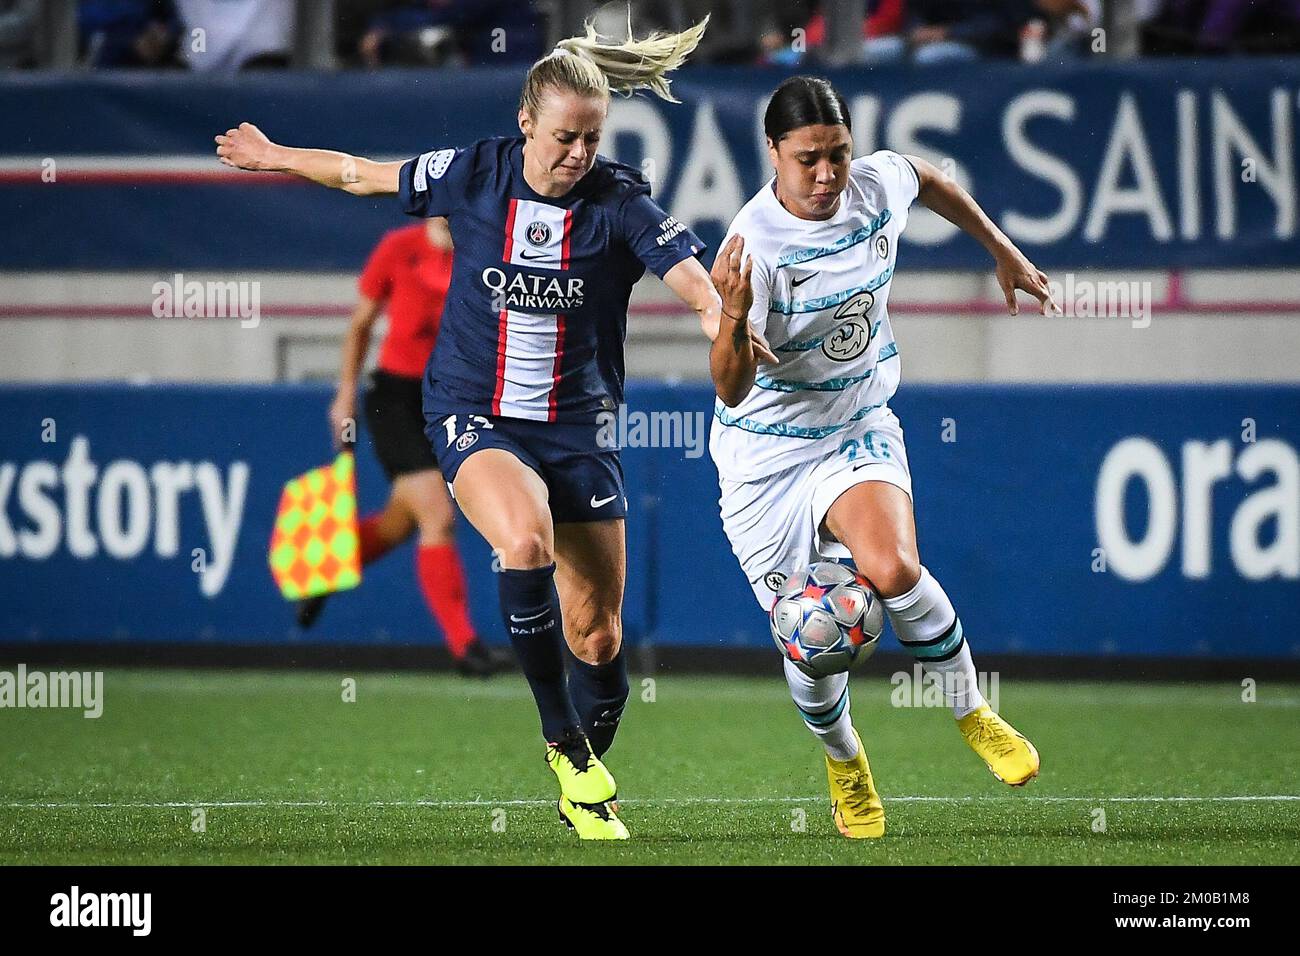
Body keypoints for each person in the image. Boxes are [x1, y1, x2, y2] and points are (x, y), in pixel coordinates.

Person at [217, 16, 755, 840]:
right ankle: (562, 742)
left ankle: (579, 783)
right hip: (474, 411)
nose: (579, 154)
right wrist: (276, 155)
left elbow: (694, 283)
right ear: (526, 123)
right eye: (565, 138)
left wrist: (726, 316)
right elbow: (362, 176)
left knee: (599, 638)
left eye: (592, 139)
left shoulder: (619, 202)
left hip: (579, 430)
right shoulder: (473, 173)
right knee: (525, 542)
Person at [706, 76, 1053, 838]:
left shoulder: (874, 185)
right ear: (773, 152)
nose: (827, 173)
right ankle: (845, 761)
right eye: (808, 159)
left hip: (855, 422)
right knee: (810, 637)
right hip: (766, 456)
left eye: (837, 153)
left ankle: (974, 712)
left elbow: (928, 179)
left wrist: (1001, 249)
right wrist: (732, 314)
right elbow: (729, 388)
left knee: (893, 570)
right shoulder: (754, 246)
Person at [296, 216, 510, 678]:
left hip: (451, 399)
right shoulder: (398, 247)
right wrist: (345, 393)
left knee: (401, 522)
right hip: (395, 399)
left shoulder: (482, 251)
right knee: (438, 515)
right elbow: (361, 324)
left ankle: (327, 566)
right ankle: (466, 648)